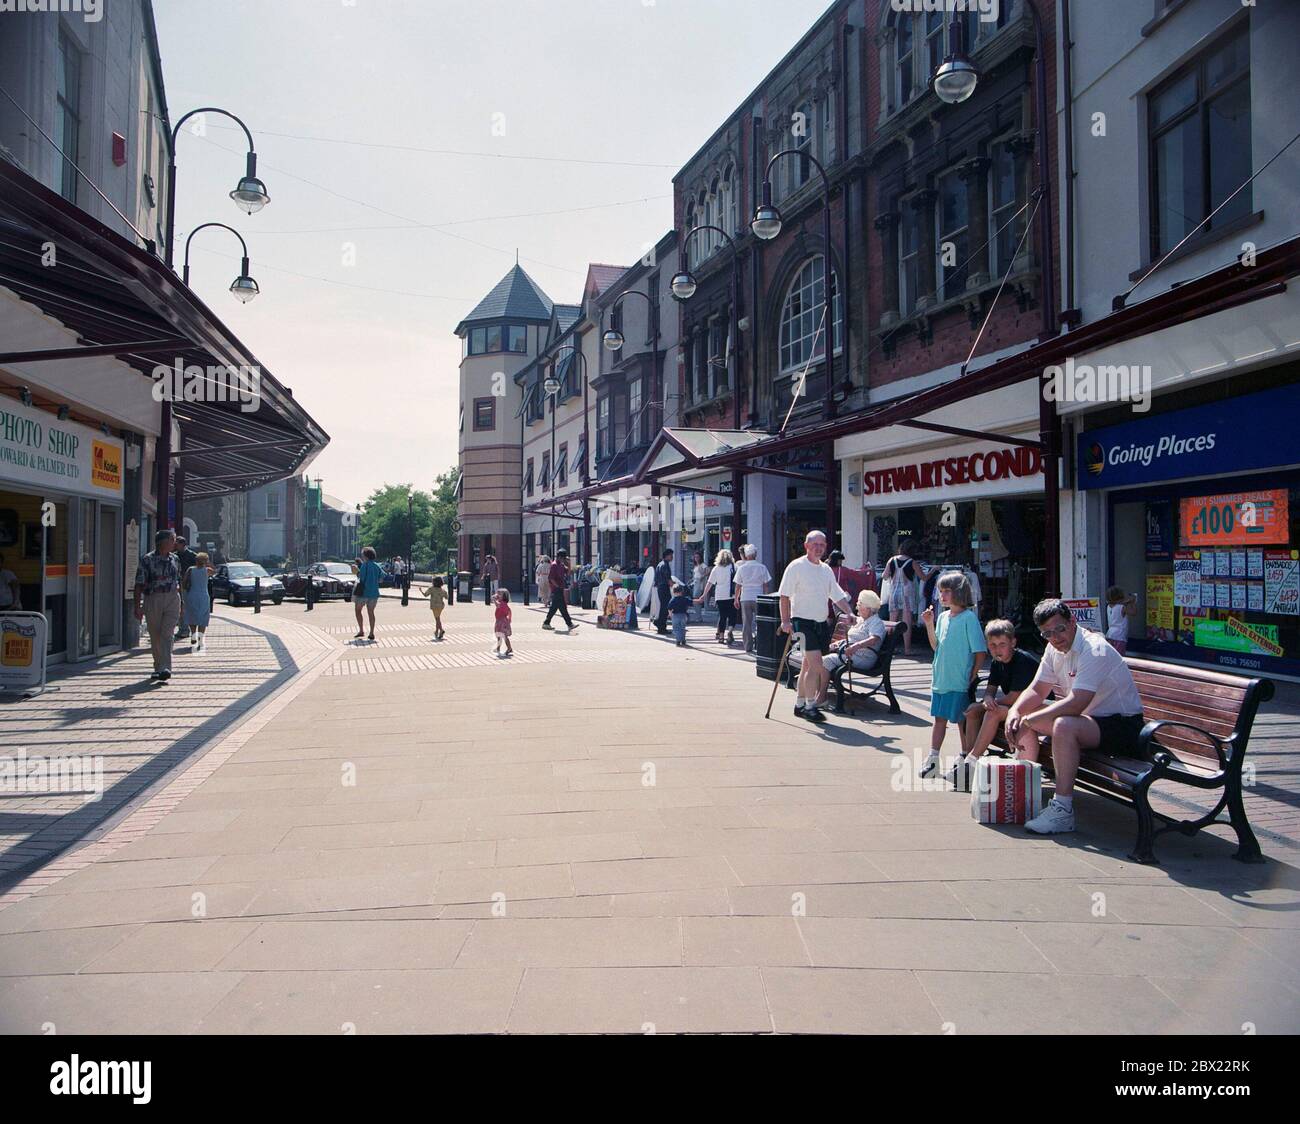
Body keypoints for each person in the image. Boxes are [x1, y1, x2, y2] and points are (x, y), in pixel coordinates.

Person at [1006, 599, 1146, 835]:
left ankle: (1062, 810)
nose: (1056, 637)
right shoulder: (1053, 648)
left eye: (1059, 628)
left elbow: (1077, 702)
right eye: (1047, 633)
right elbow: (1037, 688)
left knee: (1063, 725)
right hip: (1090, 721)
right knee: (1027, 718)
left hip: (1123, 726)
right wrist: (1016, 711)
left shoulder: (1095, 647)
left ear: (1072, 622)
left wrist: (1031, 718)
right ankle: (1024, 796)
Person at [778, 530, 855, 724]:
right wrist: (785, 621)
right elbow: (784, 596)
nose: (819, 548)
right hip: (802, 622)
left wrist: (849, 612)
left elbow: (836, 595)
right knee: (816, 665)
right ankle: (811, 707)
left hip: (820, 623)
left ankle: (800, 704)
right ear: (806, 546)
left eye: (822, 545)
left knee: (807, 665)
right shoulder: (796, 566)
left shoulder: (826, 570)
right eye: (815, 544)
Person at [954, 619, 1040, 782]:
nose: (997, 649)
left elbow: (1014, 697)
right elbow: (990, 689)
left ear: (1013, 642)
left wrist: (986, 706)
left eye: (1002, 644)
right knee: (972, 709)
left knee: (992, 713)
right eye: (992, 645)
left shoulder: (1023, 661)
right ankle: (969, 758)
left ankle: (971, 762)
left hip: (1034, 709)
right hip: (1016, 708)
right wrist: (986, 699)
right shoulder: (996, 662)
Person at [919, 572, 988, 778]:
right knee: (939, 719)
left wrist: (972, 674)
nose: (942, 595)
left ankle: (964, 756)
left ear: (958, 592)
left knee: (961, 720)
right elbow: (936, 646)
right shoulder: (941, 617)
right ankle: (933, 758)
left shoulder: (969, 618)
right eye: (941, 591)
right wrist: (929, 624)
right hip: (941, 678)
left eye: (946, 591)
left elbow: (980, 651)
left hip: (959, 680)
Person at [817, 589, 887, 708]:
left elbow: (874, 639)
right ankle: (817, 695)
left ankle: (821, 697)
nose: (857, 606)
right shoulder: (861, 621)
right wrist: (838, 644)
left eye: (860, 604)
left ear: (869, 609)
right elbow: (851, 638)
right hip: (851, 654)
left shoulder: (876, 622)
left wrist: (855, 646)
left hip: (864, 658)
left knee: (824, 661)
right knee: (817, 659)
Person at [133, 529, 182, 683]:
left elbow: (178, 580)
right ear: (163, 541)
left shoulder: (175, 559)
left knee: (167, 633)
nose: (174, 543)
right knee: (155, 635)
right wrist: (137, 606)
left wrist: (182, 603)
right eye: (172, 539)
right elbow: (139, 584)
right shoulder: (147, 560)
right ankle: (158, 666)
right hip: (153, 598)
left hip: (172, 598)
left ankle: (165, 668)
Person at [880, 546, 933, 656]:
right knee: (907, 621)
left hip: (894, 593)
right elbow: (924, 578)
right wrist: (933, 570)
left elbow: (884, 576)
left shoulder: (892, 560)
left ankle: (890, 648)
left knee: (892, 622)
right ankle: (907, 650)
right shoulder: (912, 562)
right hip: (907, 594)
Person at [734, 544, 772, 654]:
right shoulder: (762, 567)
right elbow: (766, 585)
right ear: (755, 554)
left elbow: (738, 586)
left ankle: (748, 646)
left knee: (746, 623)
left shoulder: (742, 568)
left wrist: (736, 599)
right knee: (760, 622)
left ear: (746, 555)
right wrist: (766, 597)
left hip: (745, 597)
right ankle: (760, 644)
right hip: (758, 597)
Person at [181, 550, 213, 651]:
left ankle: (193, 634)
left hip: (192, 595)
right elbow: (215, 570)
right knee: (203, 618)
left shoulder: (190, 569)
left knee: (192, 616)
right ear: (206, 561)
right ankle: (200, 639)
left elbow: (184, 582)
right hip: (203, 596)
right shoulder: (207, 570)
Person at [542, 549, 579, 632]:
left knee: (556, 607)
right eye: (563, 558)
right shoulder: (554, 565)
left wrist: (569, 564)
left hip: (560, 588)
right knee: (562, 607)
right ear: (559, 557)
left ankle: (547, 622)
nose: (563, 560)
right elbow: (551, 578)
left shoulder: (561, 565)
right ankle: (569, 624)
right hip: (556, 589)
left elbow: (568, 573)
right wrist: (557, 586)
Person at [353, 546, 383, 640]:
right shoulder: (377, 566)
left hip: (364, 592)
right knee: (371, 612)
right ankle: (371, 632)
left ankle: (361, 630)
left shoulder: (365, 565)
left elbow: (361, 578)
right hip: (374, 593)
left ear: (366, 556)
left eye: (362, 554)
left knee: (358, 610)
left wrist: (357, 571)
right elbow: (381, 579)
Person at [172, 536, 198, 640]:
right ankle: (183, 628)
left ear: (182, 544)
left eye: (176, 543)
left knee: (186, 606)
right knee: (180, 606)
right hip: (178, 583)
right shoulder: (175, 556)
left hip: (189, 585)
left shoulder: (191, 555)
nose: (175, 545)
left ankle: (186, 629)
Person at [1105, 585, 1137, 655]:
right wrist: (1133, 602)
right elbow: (1133, 613)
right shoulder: (1122, 607)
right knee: (1119, 656)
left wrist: (1127, 602)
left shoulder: (1108, 607)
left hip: (1109, 634)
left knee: (1111, 656)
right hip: (1119, 636)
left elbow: (1118, 604)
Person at [653, 548, 675, 635]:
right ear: (667, 555)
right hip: (664, 588)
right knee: (665, 607)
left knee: (663, 607)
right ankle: (661, 627)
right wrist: (675, 587)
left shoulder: (659, 564)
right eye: (671, 555)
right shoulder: (665, 565)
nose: (672, 557)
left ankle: (659, 623)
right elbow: (668, 579)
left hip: (660, 588)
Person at [420, 575, 448, 639]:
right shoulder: (442, 590)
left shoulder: (431, 589)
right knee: (437, 618)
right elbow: (447, 597)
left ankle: (441, 630)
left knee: (437, 619)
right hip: (441, 606)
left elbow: (425, 595)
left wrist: (421, 590)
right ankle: (436, 631)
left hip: (434, 606)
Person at [667, 581, 692, 647]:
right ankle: (683, 640)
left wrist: (670, 614)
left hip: (675, 616)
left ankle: (678, 640)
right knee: (682, 628)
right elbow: (690, 602)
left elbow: (669, 608)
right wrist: (698, 600)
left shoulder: (673, 600)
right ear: (681, 592)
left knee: (676, 628)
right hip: (683, 615)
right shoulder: (684, 599)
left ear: (673, 592)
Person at [494, 588, 513, 656]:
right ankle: (498, 648)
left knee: (504, 636)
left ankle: (509, 648)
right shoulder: (501, 603)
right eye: (497, 593)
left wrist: (494, 599)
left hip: (502, 622)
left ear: (504, 596)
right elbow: (509, 610)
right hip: (499, 621)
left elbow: (498, 605)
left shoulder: (503, 603)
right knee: (499, 635)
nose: (497, 595)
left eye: (499, 594)